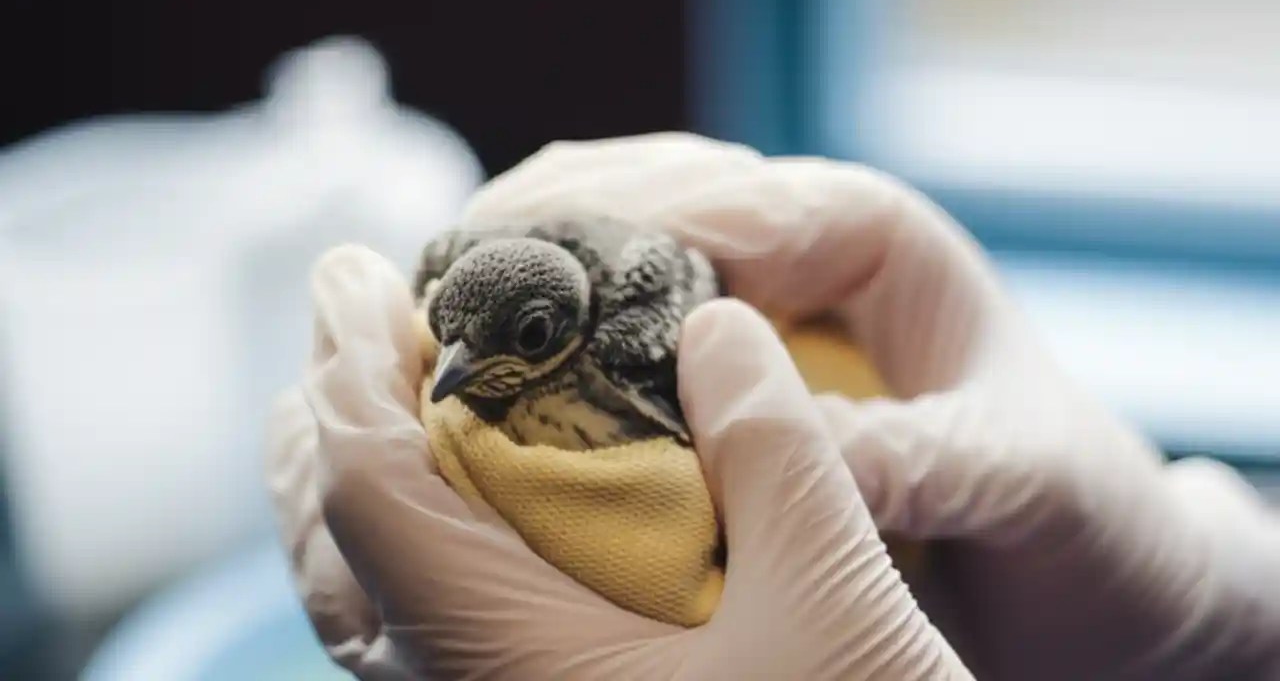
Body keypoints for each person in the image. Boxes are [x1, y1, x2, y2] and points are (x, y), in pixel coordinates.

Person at [266, 133, 1280, 680]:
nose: (452, 373)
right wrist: (1225, 627)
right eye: (454, 336)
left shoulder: (627, 341)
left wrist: (1216, 608)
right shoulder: (479, 309)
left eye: (524, 343)